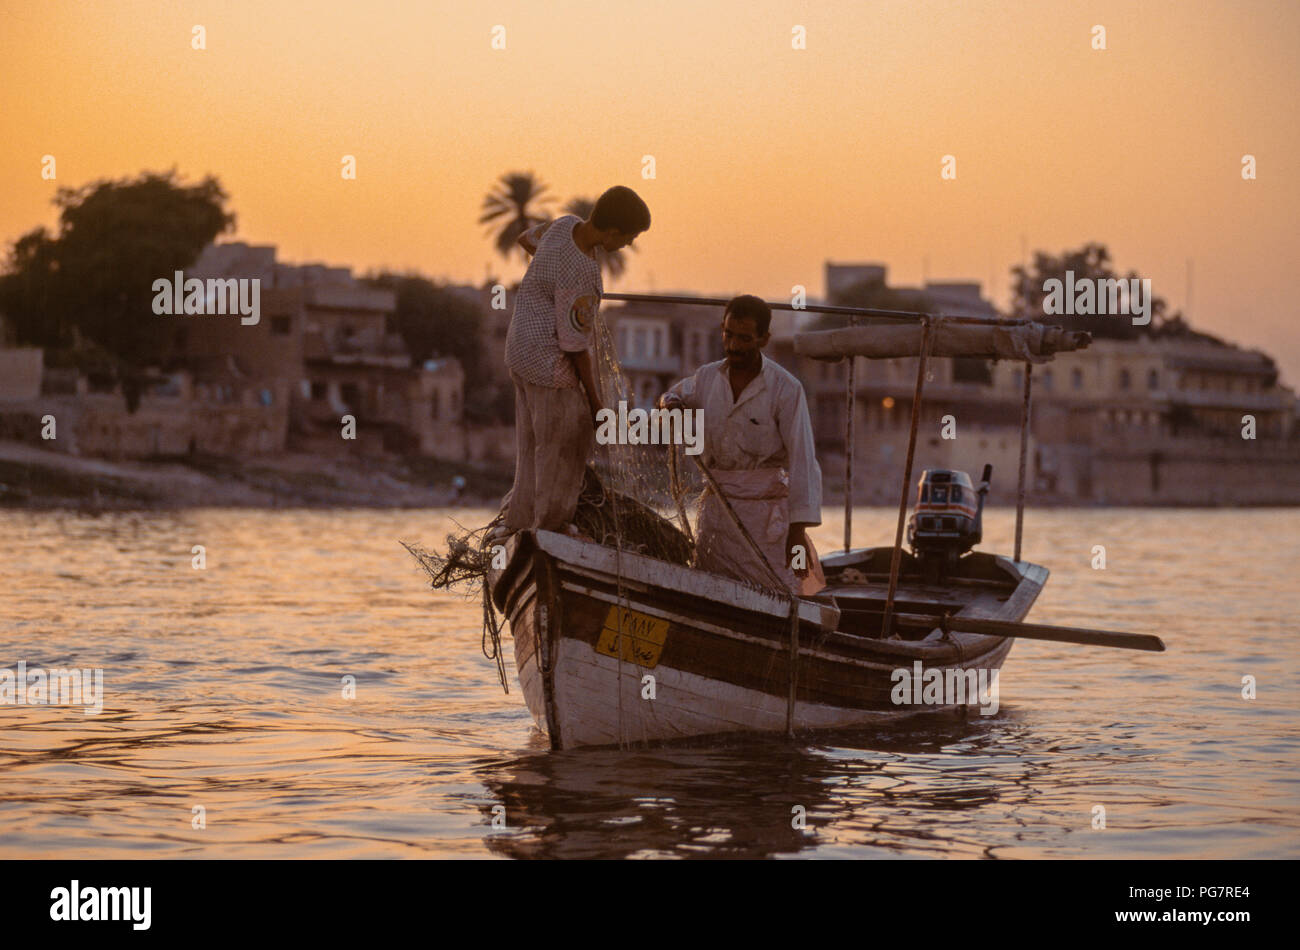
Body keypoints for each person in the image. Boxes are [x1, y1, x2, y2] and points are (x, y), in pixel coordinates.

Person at [502, 185, 651, 535]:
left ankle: (518, 526)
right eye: (629, 237)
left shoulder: (563, 226)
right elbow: (575, 348)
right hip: (549, 368)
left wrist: (549, 275)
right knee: (565, 446)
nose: (627, 245)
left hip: (519, 356)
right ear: (612, 232)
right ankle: (549, 531)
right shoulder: (583, 273)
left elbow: (527, 239)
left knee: (531, 452)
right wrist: (597, 406)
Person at [658, 294, 824, 595]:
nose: (733, 346)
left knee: (775, 593)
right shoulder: (707, 378)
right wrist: (671, 404)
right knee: (711, 590)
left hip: (766, 520)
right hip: (717, 513)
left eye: (745, 338)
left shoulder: (786, 389)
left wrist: (797, 532)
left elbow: (803, 459)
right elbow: (671, 396)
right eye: (728, 334)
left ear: (764, 339)